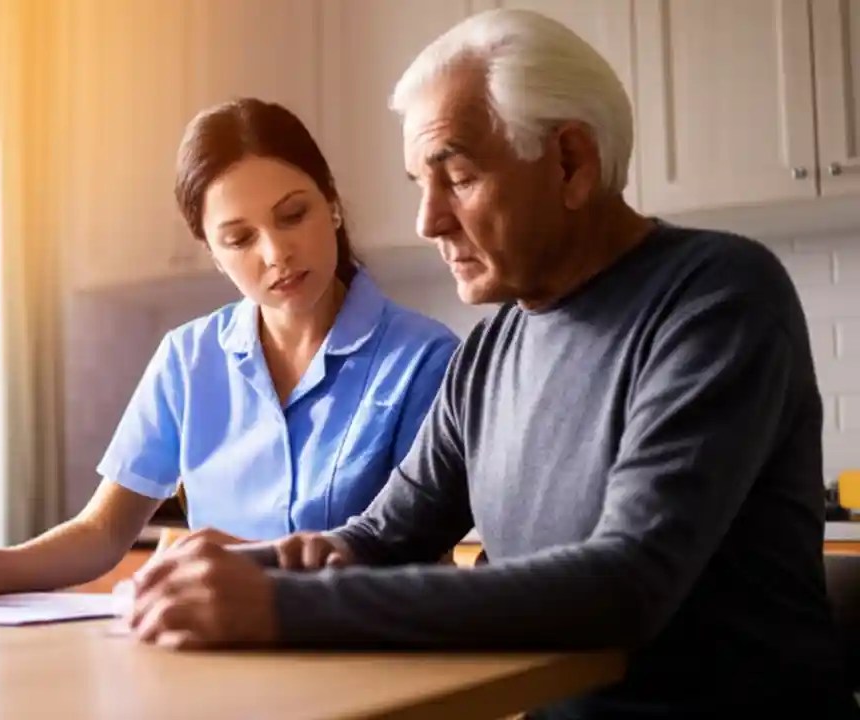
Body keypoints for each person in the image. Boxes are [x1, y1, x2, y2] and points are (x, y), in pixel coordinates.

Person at [125, 10, 858, 718]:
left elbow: (628, 583)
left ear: (570, 162)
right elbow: (376, 542)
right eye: (420, 185)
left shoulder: (717, 295)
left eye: (460, 178)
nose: (428, 220)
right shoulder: (489, 352)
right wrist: (223, 575)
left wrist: (279, 606)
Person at [0, 98, 459, 603]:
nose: (276, 253)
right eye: (240, 239)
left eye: (293, 215)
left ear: (334, 206)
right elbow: (103, 532)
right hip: (216, 655)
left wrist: (252, 560)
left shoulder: (425, 360)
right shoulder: (188, 359)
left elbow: (418, 557)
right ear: (214, 255)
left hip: (364, 658)